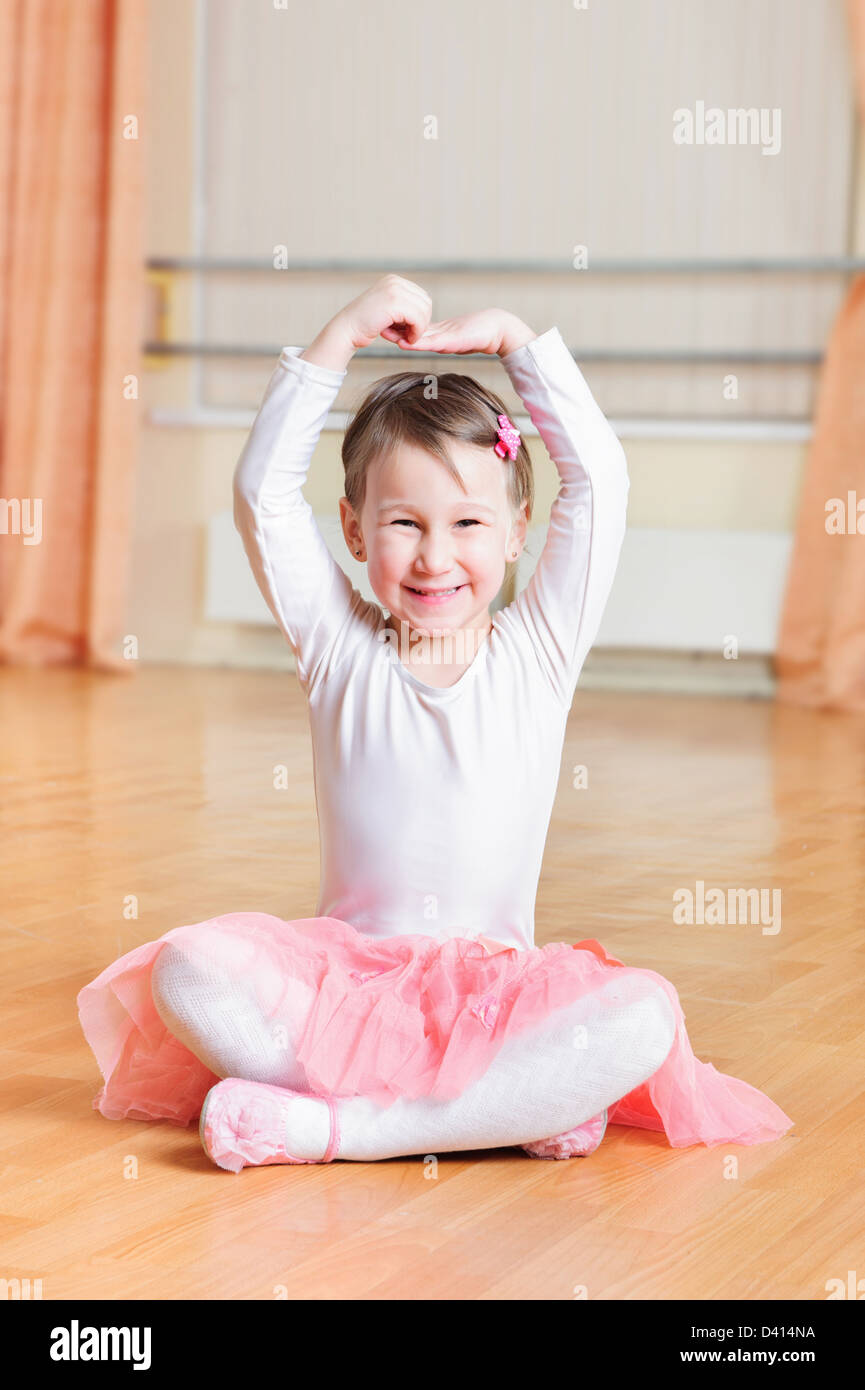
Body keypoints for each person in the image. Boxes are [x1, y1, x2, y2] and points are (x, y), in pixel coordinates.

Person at [77, 275, 794, 1171]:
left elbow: (599, 483)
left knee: (642, 1018)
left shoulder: (539, 650)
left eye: (466, 523)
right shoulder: (338, 647)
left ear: (516, 531)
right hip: (343, 985)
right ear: (353, 530)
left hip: (497, 995)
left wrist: (517, 342)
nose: (434, 556)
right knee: (186, 968)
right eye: (404, 523)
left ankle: (339, 1130)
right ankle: (498, 1112)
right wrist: (339, 337)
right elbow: (263, 495)